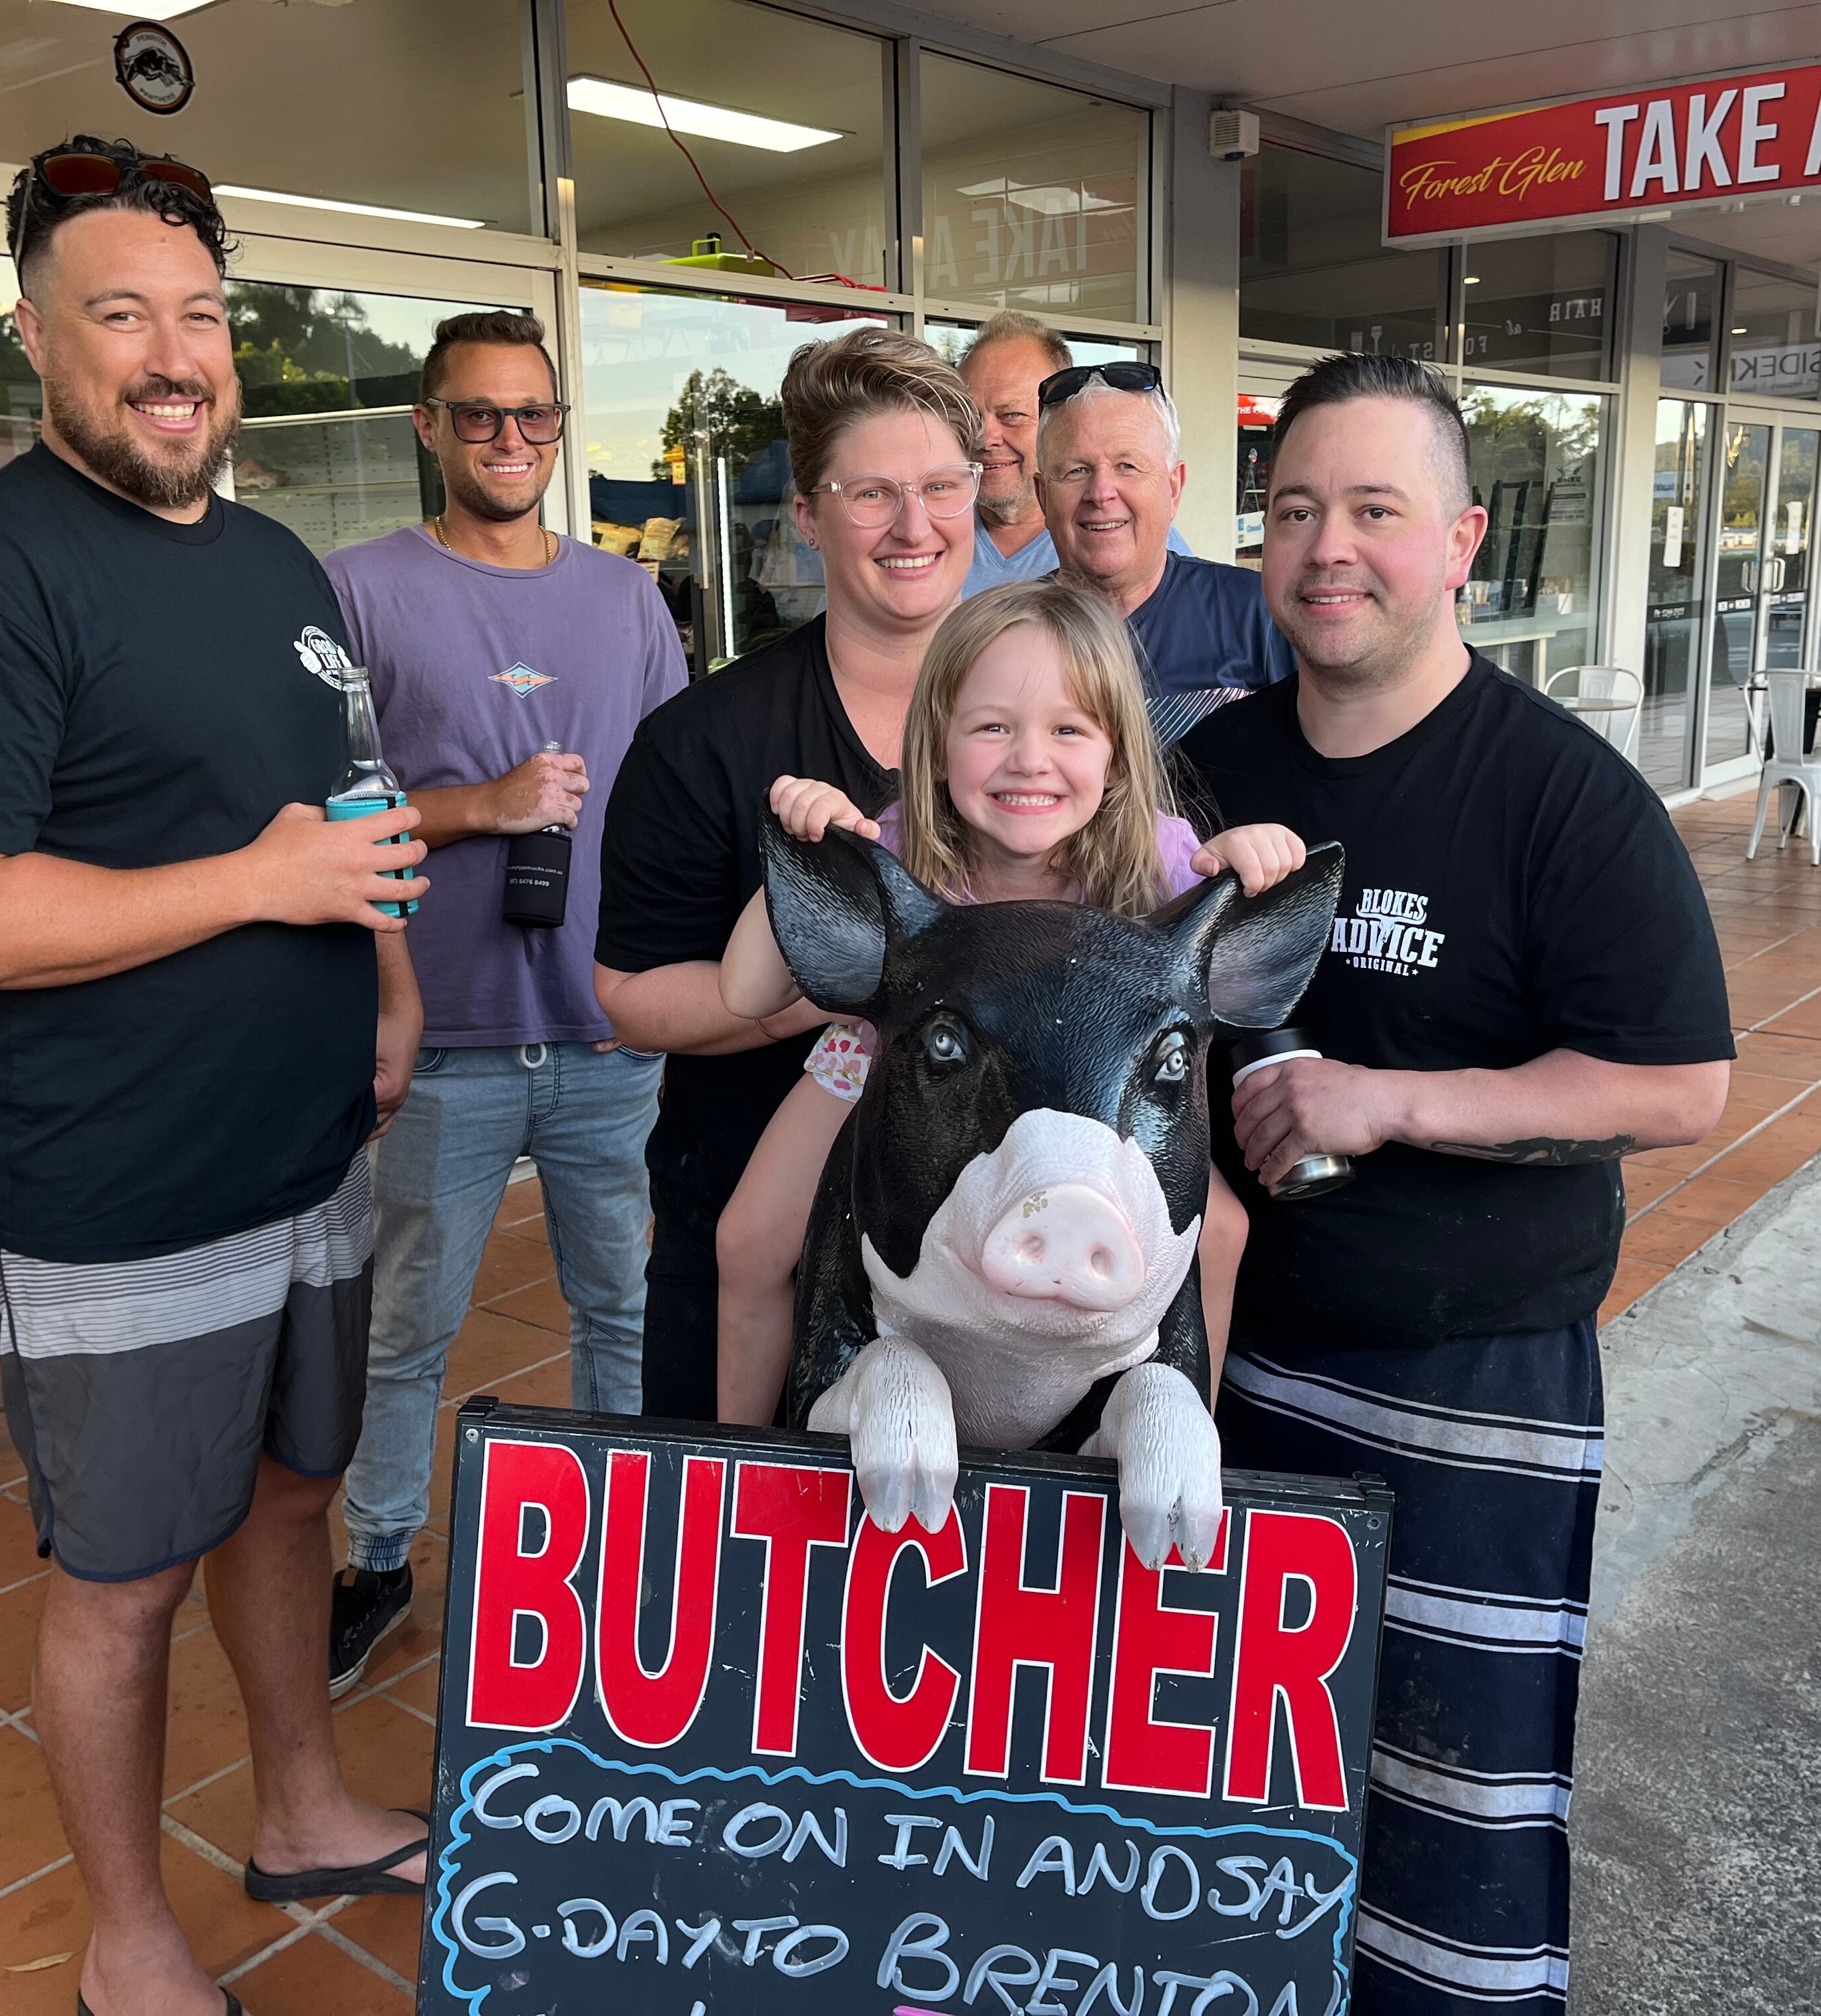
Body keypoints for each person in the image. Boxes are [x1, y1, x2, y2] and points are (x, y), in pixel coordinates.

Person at [0, 137, 431, 2016]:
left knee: (289, 1503)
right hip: (115, 1197)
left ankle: (306, 1806)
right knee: (124, 1582)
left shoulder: (272, 561)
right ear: (33, 336)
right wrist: (261, 885)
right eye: (121, 315)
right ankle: (125, 1942)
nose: (172, 352)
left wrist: (388, 968)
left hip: (308, 1155)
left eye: (198, 314)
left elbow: (346, 807)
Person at [1176, 352, 1732, 2016]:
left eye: (1374, 512)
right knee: (1245, 1787)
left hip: (1472, 1380)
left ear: (1463, 540)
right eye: (1292, 512)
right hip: (1237, 1365)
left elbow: (1679, 1082)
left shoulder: (1562, 795)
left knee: (1452, 1807)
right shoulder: (1217, 768)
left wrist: (1390, 1099)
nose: (1326, 549)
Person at [321, 311, 683, 1696]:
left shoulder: (624, 597)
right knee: (410, 1323)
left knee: (623, 1310)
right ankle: (379, 1556)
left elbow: (668, 802)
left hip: (605, 1027)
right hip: (445, 1034)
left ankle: (630, 1546)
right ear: (428, 426)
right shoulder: (356, 591)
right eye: (480, 416)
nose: (511, 441)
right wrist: (482, 808)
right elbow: (320, 811)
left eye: (535, 416)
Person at [709, 579, 1302, 1425]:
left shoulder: (1165, 860)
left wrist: (1252, 862)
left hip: (1097, 1116)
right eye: (993, 727)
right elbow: (745, 991)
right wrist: (810, 855)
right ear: (938, 741)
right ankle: (738, 1462)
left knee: (1223, 1234)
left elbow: (1212, 949)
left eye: (1068, 729)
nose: (1030, 759)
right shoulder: (901, 844)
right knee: (750, 1240)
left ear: (1117, 753)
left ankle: (1176, 1453)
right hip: (894, 1078)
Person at [595, 327, 980, 1421]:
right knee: (733, 1564)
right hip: (750, 1247)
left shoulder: (1049, 718)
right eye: (872, 493)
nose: (913, 525)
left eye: (940, 486)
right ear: (807, 514)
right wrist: (838, 985)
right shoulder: (703, 741)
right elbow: (627, 997)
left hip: (992, 1258)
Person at [1036, 361, 1296, 743]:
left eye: (1128, 466)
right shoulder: (1003, 635)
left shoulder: (1262, 615)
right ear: (1043, 496)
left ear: (1174, 489)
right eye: (1076, 471)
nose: (1101, 493)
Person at [957, 311, 1188, 597]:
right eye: (970, 417)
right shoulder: (932, 533)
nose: (984, 437)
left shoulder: (1128, 537)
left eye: (1012, 415)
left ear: (1057, 425)